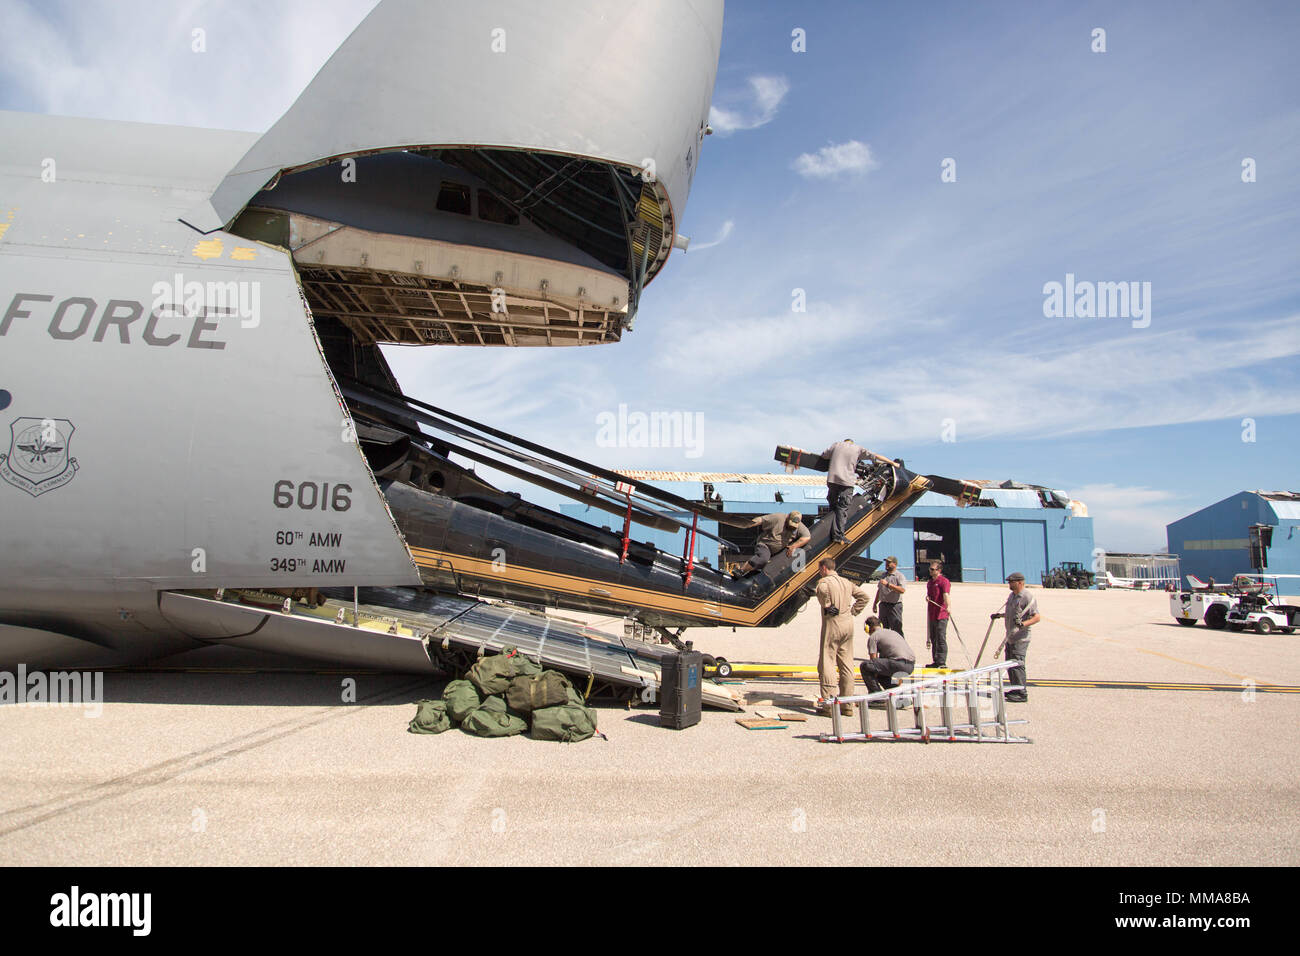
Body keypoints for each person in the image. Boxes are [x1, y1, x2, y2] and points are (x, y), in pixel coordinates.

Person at [814, 558, 869, 716]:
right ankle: (847, 704)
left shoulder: (824, 582)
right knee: (846, 663)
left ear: (824, 568)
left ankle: (829, 705)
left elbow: (823, 593)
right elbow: (864, 597)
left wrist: (828, 604)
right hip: (848, 624)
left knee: (827, 662)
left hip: (833, 624)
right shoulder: (846, 582)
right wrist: (853, 611)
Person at [990, 571, 1041, 702]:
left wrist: (1023, 624)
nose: (1009, 584)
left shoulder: (1027, 597)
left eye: (1011, 582)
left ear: (1020, 582)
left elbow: (1036, 617)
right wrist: (999, 615)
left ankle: (1022, 692)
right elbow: (1011, 613)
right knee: (1010, 664)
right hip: (1010, 636)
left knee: (1018, 664)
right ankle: (1015, 687)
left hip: (1021, 638)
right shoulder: (1012, 596)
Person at [734, 511, 810, 578]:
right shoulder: (778, 517)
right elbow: (762, 519)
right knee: (763, 558)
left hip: (778, 551)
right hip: (765, 545)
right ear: (788, 517)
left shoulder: (800, 526)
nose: (791, 527)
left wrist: (794, 546)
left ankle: (749, 575)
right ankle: (741, 570)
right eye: (790, 524)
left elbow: (807, 537)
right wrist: (748, 524)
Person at [860, 615, 915, 702]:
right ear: (880, 625)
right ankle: (900, 697)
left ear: (868, 628)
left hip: (898, 664)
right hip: (910, 665)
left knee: (865, 666)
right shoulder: (892, 632)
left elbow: (873, 660)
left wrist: (872, 681)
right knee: (882, 675)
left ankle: (877, 698)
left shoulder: (874, 636)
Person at [925, 559, 951, 668]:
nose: (930, 571)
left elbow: (946, 595)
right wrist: (927, 598)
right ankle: (935, 660)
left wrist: (948, 607)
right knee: (933, 638)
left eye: (932, 569)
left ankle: (942, 662)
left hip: (941, 614)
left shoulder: (943, 581)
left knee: (941, 637)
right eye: (930, 569)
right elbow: (930, 595)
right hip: (932, 613)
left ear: (939, 570)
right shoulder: (930, 582)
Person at [872, 555, 906, 637]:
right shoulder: (883, 575)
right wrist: (875, 603)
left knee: (896, 630)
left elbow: (902, 590)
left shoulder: (899, 576)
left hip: (894, 606)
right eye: (886, 562)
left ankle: (899, 647)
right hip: (883, 605)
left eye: (889, 562)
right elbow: (879, 590)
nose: (886, 564)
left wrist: (888, 585)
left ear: (895, 564)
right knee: (883, 629)